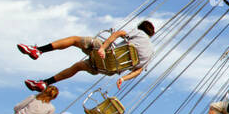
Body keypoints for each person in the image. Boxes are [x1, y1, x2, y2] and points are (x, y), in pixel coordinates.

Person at [22, 20, 156, 92]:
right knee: (78, 66)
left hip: (106, 54)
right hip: (108, 69)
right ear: (151, 35)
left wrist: (103, 48)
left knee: (75, 40)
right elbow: (138, 70)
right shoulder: (151, 54)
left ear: (141, 28)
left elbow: (120, 33)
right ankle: (45, 83)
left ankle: (39, 50)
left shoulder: (139, 33)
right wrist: (123, 79)